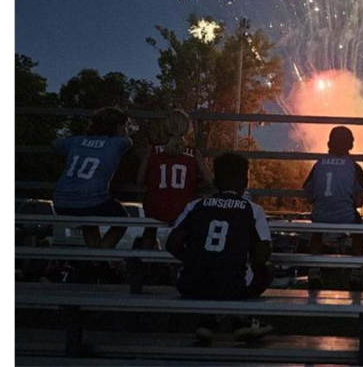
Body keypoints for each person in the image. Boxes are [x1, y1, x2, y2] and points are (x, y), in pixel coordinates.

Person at [166, 153, 274, 344]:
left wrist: (195, 258)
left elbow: (172, 243)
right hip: (233, 285)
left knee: (214, 277)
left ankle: (209, 321)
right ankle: (241, 320)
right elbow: (262, 254)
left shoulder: (196, 206)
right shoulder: (252, 209)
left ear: (215, 182)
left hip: (190, 284)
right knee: (265, 271)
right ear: (245, 182)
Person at [53, 107, 133, 249]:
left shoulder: (76, 141)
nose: (126, 130)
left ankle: (95, 256)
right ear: (118, 126)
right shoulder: (118, 143)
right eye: (125, 126)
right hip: (92, 201)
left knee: (89, 222)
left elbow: (55, 144)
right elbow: (128, 141)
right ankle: (102, 255)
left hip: (61, 200)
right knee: (123, 219)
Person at [302, 127, 363, 290]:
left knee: (316, 230)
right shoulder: (354, 167)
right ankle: (355, 272)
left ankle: (314, 271)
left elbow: (308, 195)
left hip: (321, 215)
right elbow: (359, 202)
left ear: (329, 144)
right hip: (345, 216)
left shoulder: (318, 164)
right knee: (359, 230)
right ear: (350, 145)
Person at [137, 110, 213, 250]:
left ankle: (143, 258)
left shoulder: (152, 150)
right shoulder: (193, 153)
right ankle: (186, 257)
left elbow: (139, 180)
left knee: (150, 228)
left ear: (166, 127)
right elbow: (210, 181)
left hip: (155, 208)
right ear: (186, 129)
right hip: (183, 208)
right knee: (191, 225)